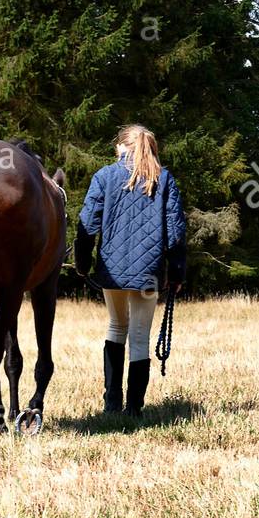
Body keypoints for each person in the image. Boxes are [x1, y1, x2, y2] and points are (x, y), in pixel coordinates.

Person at [75, 125, 186, 417]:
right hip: (148, 272)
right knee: (139, 335)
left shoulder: (105, 176)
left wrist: (82, 263)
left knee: (116, 326)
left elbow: (87, 224)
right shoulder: (164, 180)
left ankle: (112, 402)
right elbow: (175, 233)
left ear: (122, 147)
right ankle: (134, 408)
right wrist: (176, 273)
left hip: (111, 269)